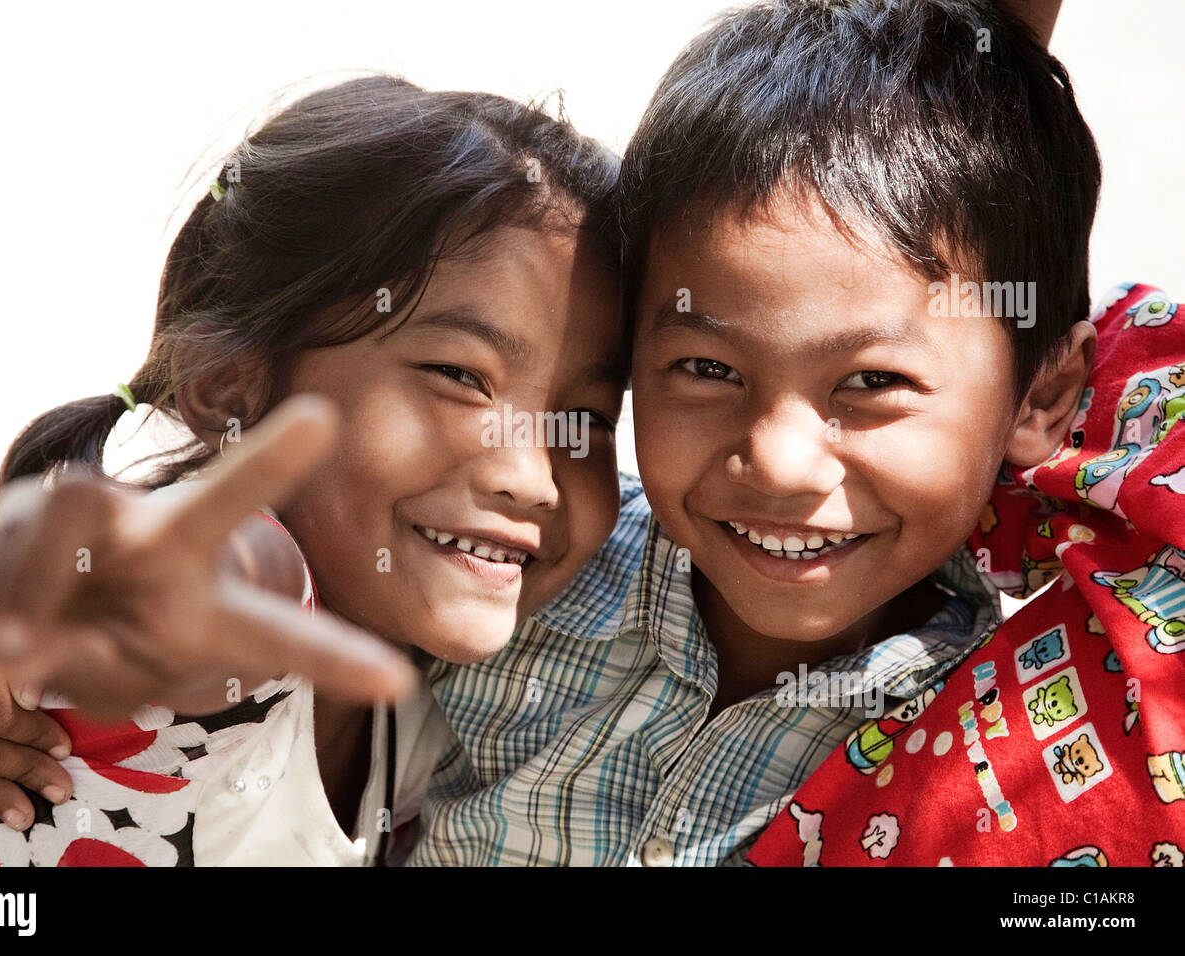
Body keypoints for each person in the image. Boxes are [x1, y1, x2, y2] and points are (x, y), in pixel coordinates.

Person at [406, 0, 1114, 865]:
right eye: (707, 370)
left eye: (874, 382)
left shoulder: (1010, 751)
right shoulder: (518, 566)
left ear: (1041, 398)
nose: (777, 464)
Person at [0, 75, 628, 865]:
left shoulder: (429, 710)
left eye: (585, 421)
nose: (536, 476)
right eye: (459, 375)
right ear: (230, 386)